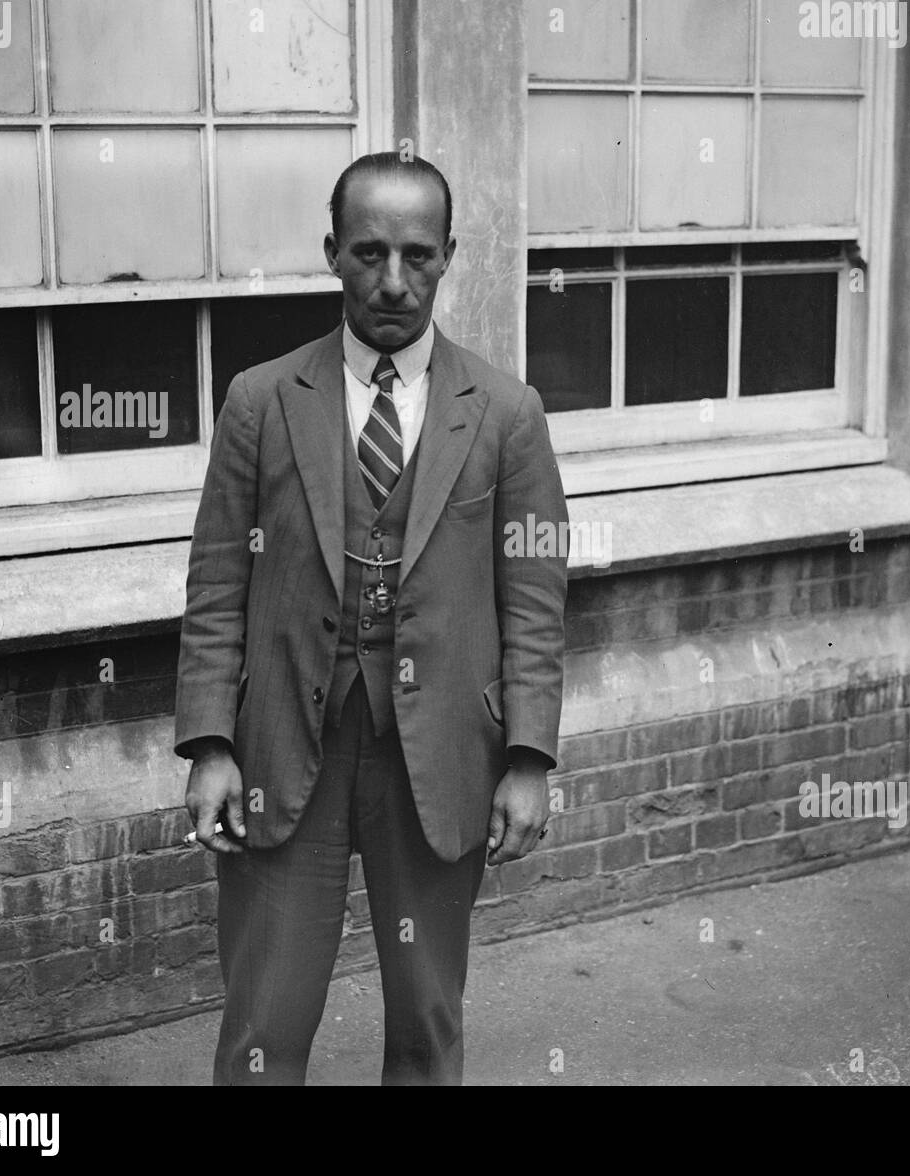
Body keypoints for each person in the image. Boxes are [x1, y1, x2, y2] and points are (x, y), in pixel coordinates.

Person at [173, 152, 569, 1086]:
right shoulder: (261, 401)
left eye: (417, 256)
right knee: (266, 1020)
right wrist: (211, 745)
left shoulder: (507, 414)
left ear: (448, 258)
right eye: (369, 252)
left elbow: (535, 597)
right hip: (284, 745)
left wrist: (528, 760)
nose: (394, 281)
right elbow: (217, 581)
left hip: (436, 759)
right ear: (332, 254)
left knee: (428, 1021)